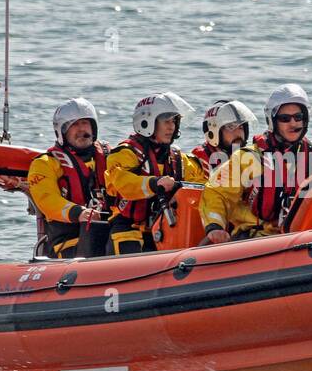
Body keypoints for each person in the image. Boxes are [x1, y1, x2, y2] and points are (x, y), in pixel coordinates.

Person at [200, 83, 312, 242]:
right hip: (255, 239)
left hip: (305, 236)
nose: (293, 123)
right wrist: (215, 226)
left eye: (298, 117)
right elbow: (217, 193)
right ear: (273, 121)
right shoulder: (248, 158)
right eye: (285, 118)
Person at [104, 92, 208, 253]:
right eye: (166, 121)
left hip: (165, 227)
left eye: (174, 121)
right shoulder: (124, 153)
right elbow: (122, 182)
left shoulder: (178, 159)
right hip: (130, 226)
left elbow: (200, 184)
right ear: (147, 122)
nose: (171, 126)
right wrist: (154, 183)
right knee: (127, 243)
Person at [27, 97, 111, 259]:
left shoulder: (108, 156)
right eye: (74, 125)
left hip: (106, 232)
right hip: (67, 241)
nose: (81, 129)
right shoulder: (45, 163)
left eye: (85, 123)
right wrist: (78, 212)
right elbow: (47, 200)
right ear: (62, 131)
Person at [191, 99, 257, 174]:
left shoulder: (252, 159)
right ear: (214, 130)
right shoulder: (196, 164)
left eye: (241, 127)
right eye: (231, 127)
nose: (239, 133)